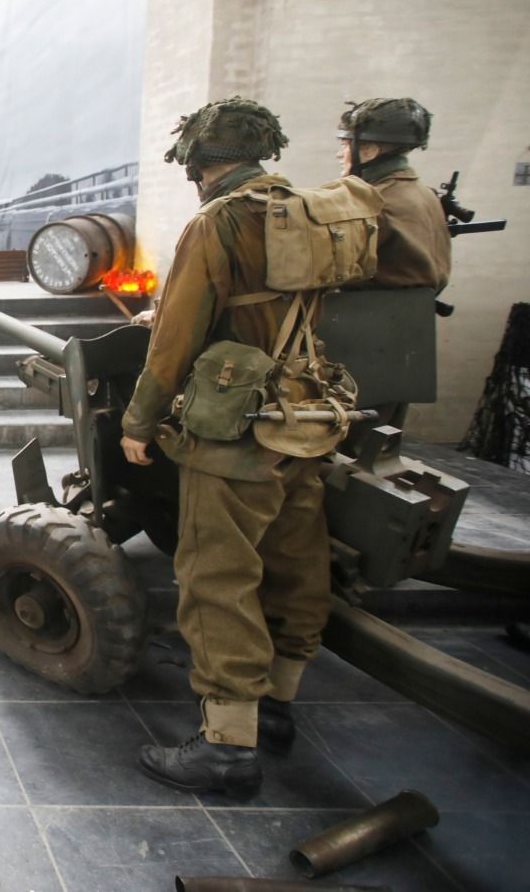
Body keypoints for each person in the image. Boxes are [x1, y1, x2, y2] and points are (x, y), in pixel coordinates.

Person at [119, 98, 330, 800]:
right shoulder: (306, 210)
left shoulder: (218, 221)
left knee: (218, 578)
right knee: (296, 563)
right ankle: (275, 709)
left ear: (201, 162)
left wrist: (140, 422)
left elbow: (175, 338)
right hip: (305, 414)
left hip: (234, 429)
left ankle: (225, 748)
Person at [337, 97, 450, 291]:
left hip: (371, 313)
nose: (340, 154)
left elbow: (334, 267)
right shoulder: (424, 193)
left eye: (346, 145)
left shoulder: (376, 202)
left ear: (369, 151)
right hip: (411, 312)